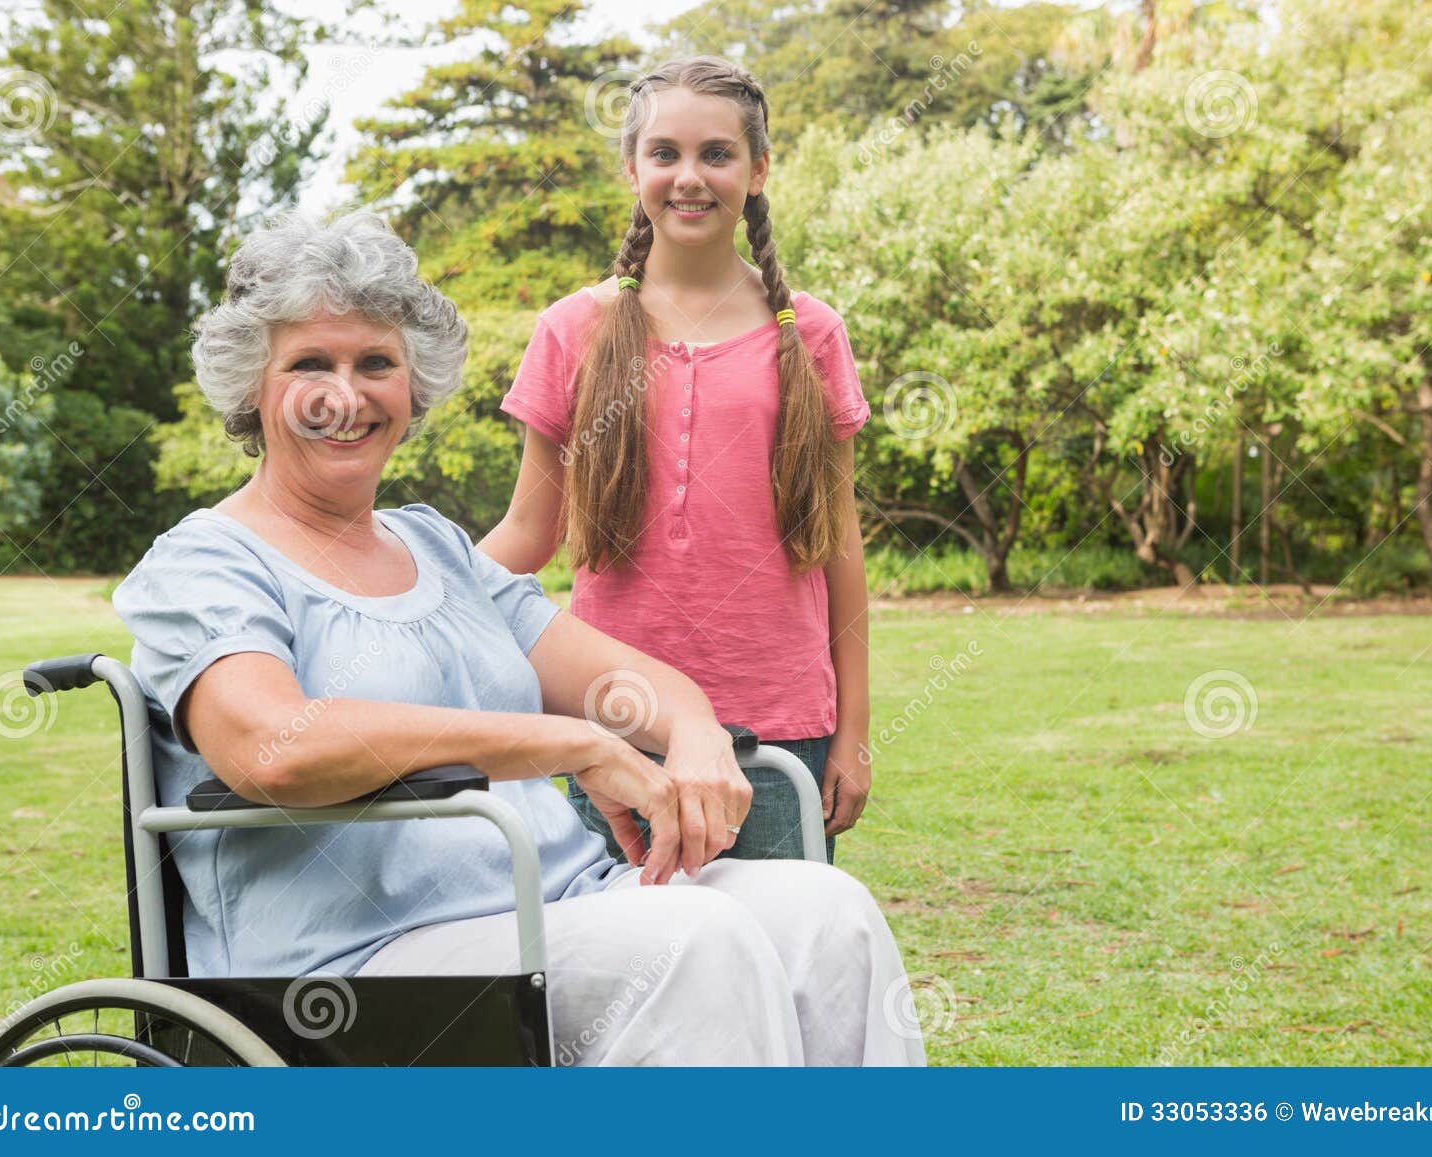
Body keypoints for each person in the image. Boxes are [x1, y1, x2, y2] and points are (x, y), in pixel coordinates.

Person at [112, 209, 925, 1066]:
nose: (345, 396)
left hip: (556, 903)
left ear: (413, 384)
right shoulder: (207, 560)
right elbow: (271, 746)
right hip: (348, 966)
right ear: (252, 386)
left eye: (376, 363)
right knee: (693, 937)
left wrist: (690, 729)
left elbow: (627, 682)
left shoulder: (437, 548)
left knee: (827, 914)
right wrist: (562, 743)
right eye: (309, 363)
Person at [482, 57, 871, 865]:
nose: (689, 177)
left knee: (775, 964)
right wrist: (411, 585)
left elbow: (838, 544)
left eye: (717, 154)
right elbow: (529, 530)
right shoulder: (571, 330)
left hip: (780, 730)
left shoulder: (812, 335)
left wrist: (855, 733)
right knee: (624, 966)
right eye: (665, 154)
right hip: (615, 724)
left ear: (758, 170)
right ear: (632, 169)